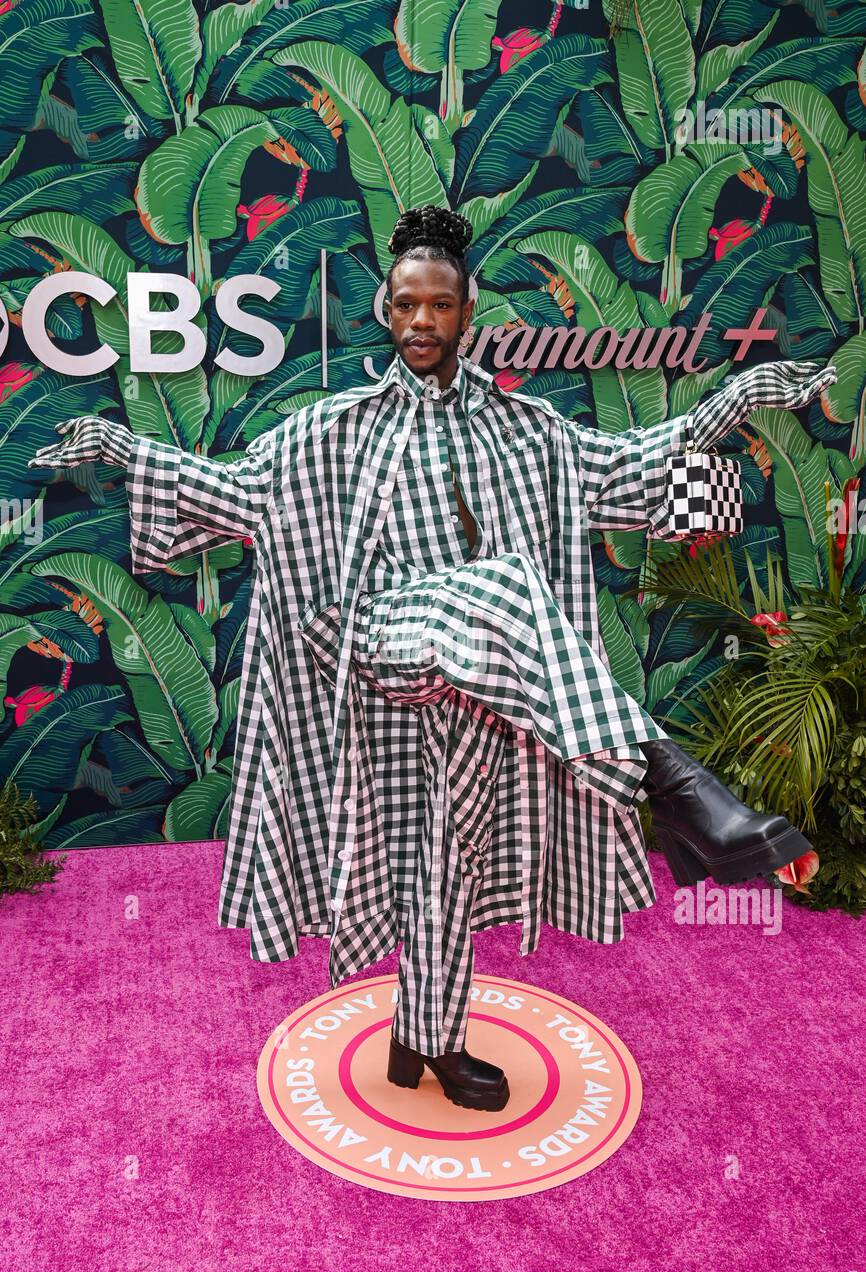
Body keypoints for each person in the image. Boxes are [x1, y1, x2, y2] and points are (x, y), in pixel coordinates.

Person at [28, 205, 836, 1117]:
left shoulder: (528, 430)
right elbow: (239, 496)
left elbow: (635, 468)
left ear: (468, 309)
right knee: (496, 587)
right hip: (378, 653)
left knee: (442, 857)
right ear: (383, 306)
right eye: (406, 304)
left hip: (492, 685)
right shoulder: (331, 430)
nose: (422, 321)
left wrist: (736, 401)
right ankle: (687, 794)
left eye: (440, 306)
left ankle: (427, 1036)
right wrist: (122, 446)